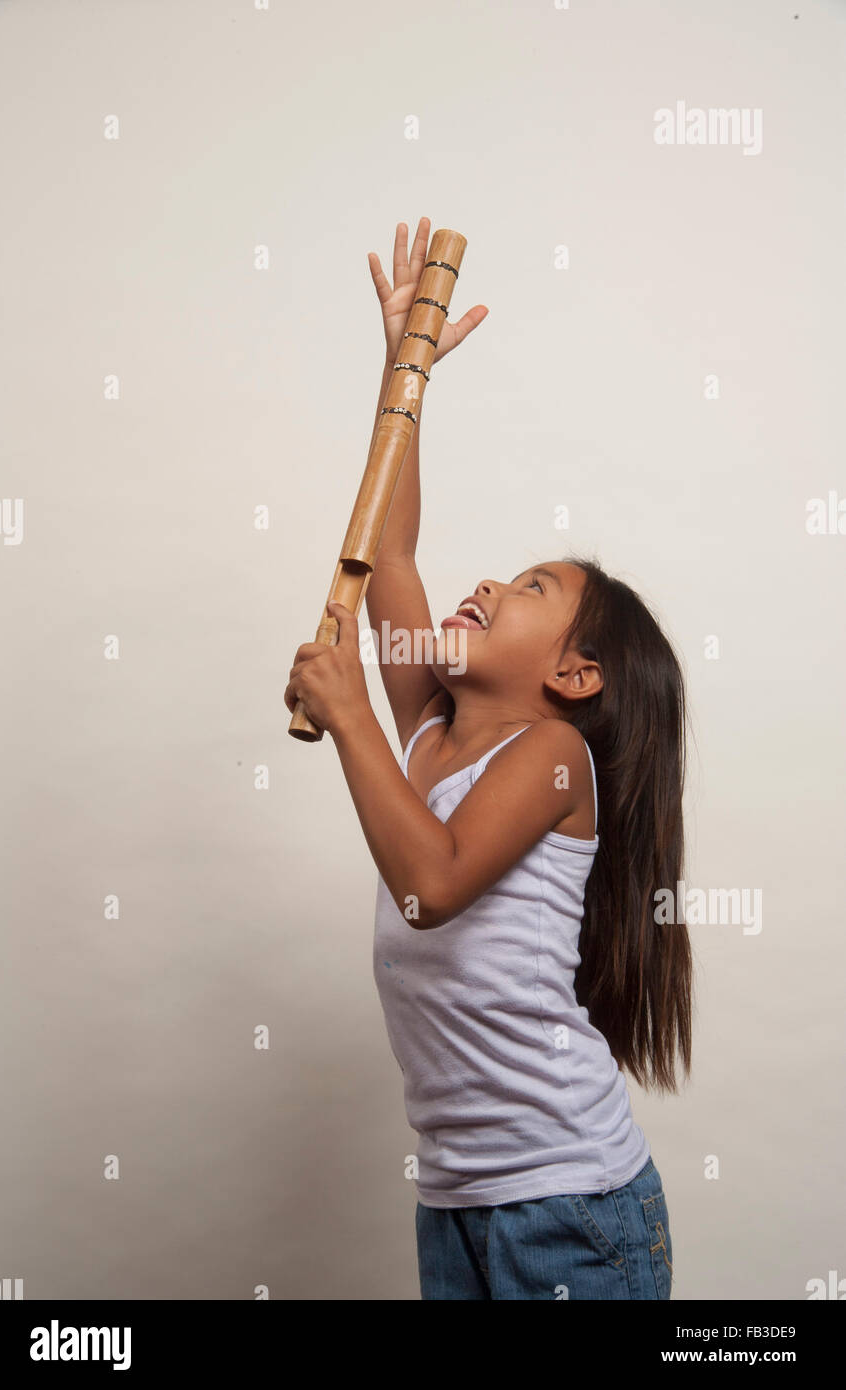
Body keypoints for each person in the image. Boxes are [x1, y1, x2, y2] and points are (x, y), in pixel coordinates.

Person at [284, 217, 691, 1300]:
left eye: (528, 592)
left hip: (566, 1209)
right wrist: (402, 373)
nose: (488, 584)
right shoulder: (430, 729)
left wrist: (349, 717)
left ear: (572, 674)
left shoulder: (552, 760)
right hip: (458, 1202)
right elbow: (396, 551)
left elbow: (430, 882)